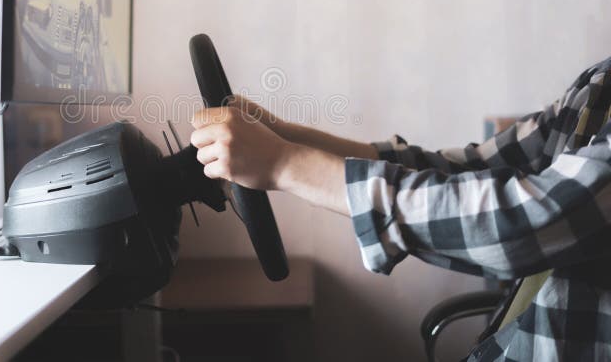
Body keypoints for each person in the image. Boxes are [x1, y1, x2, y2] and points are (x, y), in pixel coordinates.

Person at [190, 57, 611, 361]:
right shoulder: (599, 85)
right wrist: (284, 139)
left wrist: (285, 164)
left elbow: (532, 220)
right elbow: (467, 169)